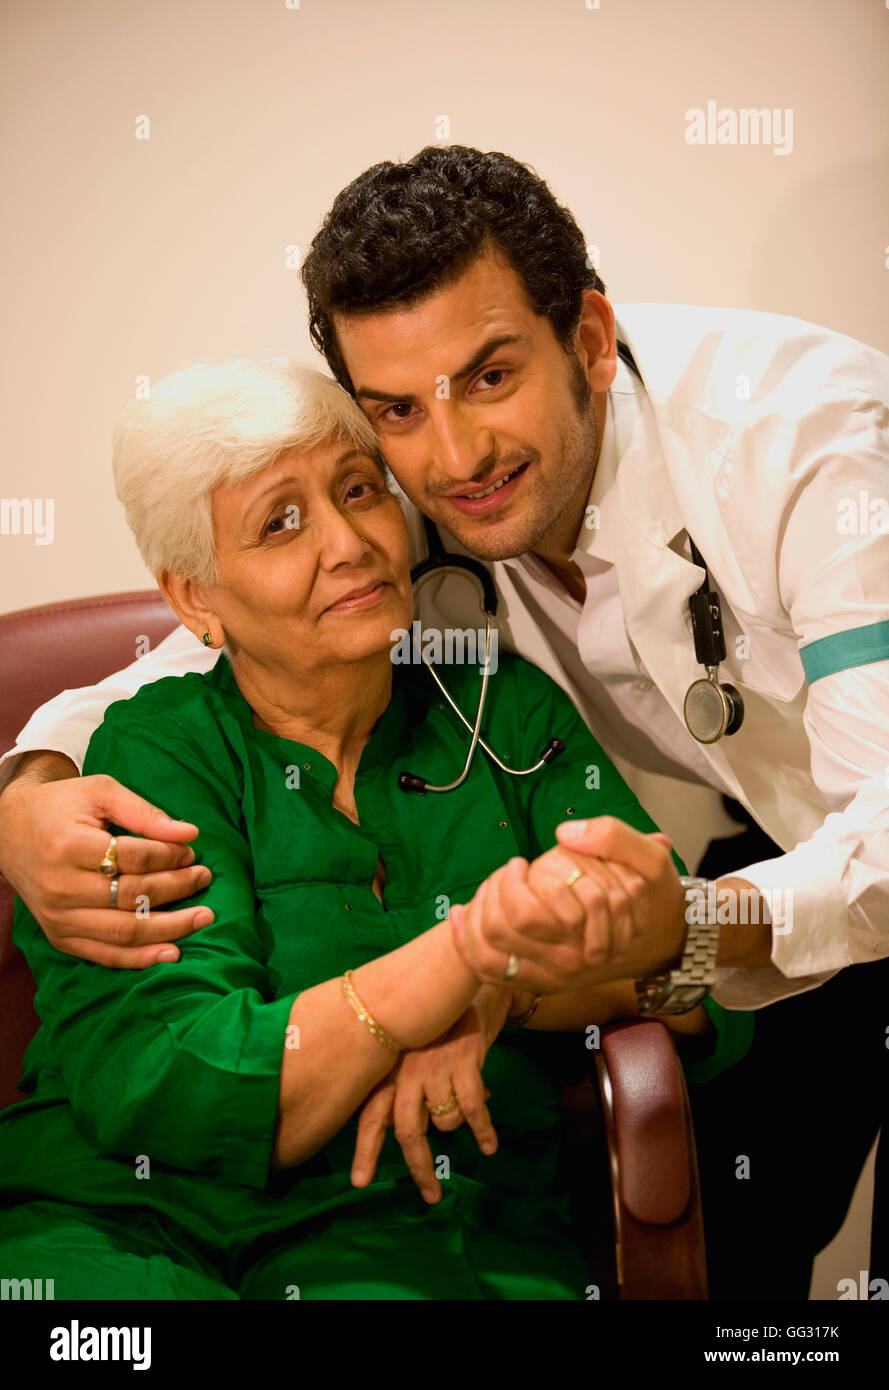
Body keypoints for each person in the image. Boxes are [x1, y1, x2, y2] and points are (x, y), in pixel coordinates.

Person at [1, 146, 887, 1296]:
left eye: (489, 377)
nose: (453, 457)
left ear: (587, 340)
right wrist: (24, 790)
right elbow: (211, 633)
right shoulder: (405, 505)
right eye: (397, 415)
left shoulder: (808, 445)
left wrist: (549, 958)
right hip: (140, 1242)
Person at [0, 358, 748, 1300]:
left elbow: (697, 967)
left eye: (360, 492)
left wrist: (504, 993)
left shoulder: (503, 715)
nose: (350, 542)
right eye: (280, 523)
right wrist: (462, 957)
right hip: (125, 1226)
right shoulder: (156, 752)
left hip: (419, 1221)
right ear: (196, 598)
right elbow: (173, 1078)